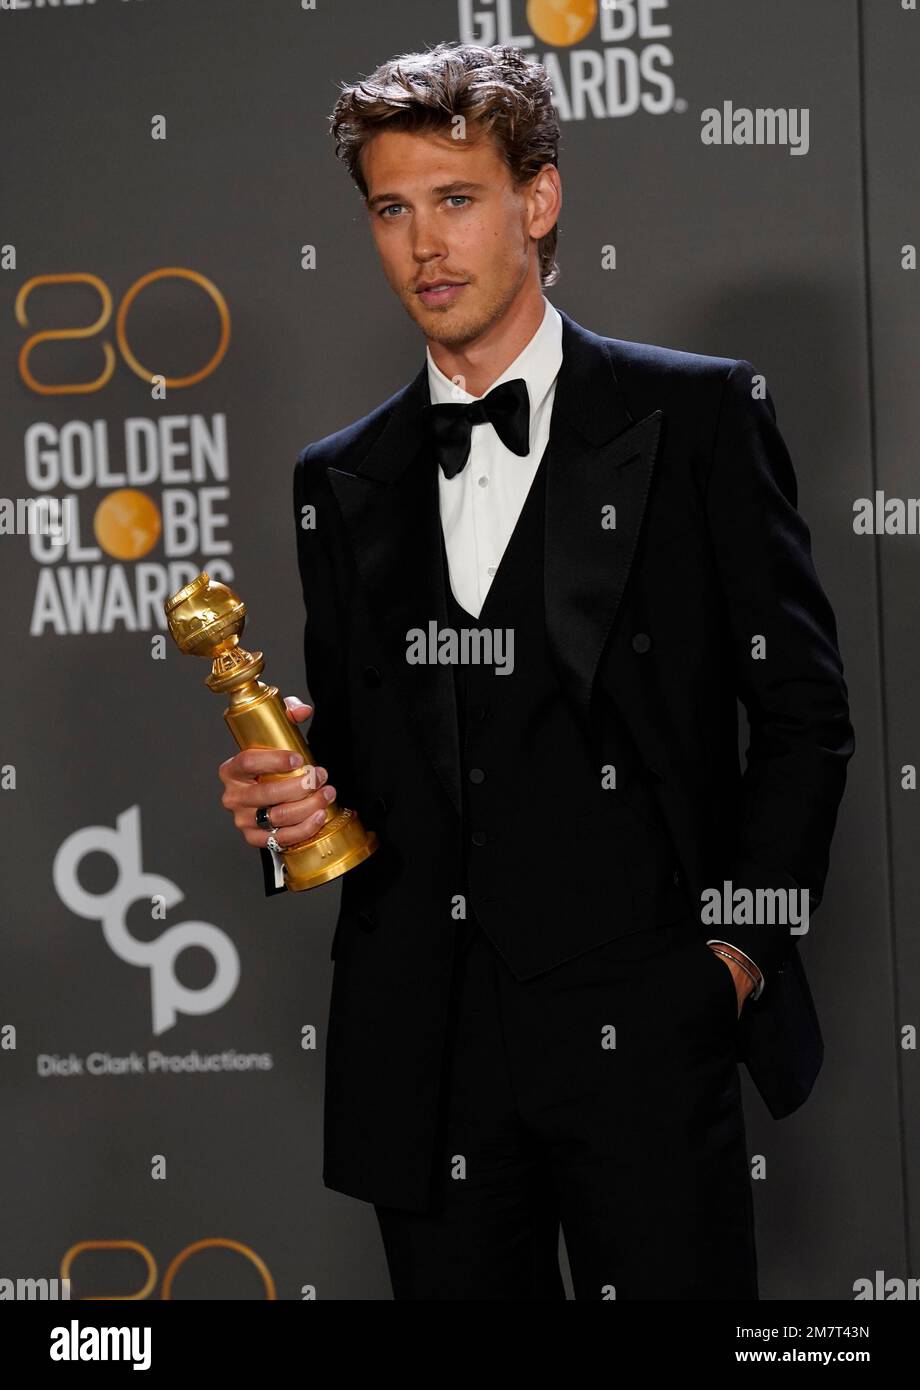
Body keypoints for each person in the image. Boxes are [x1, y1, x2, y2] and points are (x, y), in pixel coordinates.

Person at [217, 42, 854, 1299]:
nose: (423, 247)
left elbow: (801, 715)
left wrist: (730, 959)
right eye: (391, 212)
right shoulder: (337, 478)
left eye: (454, 200)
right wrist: (282, 801)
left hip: (644, 1030)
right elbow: (361, 749)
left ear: (538, 200)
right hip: (428, 1050)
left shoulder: (697, 418)